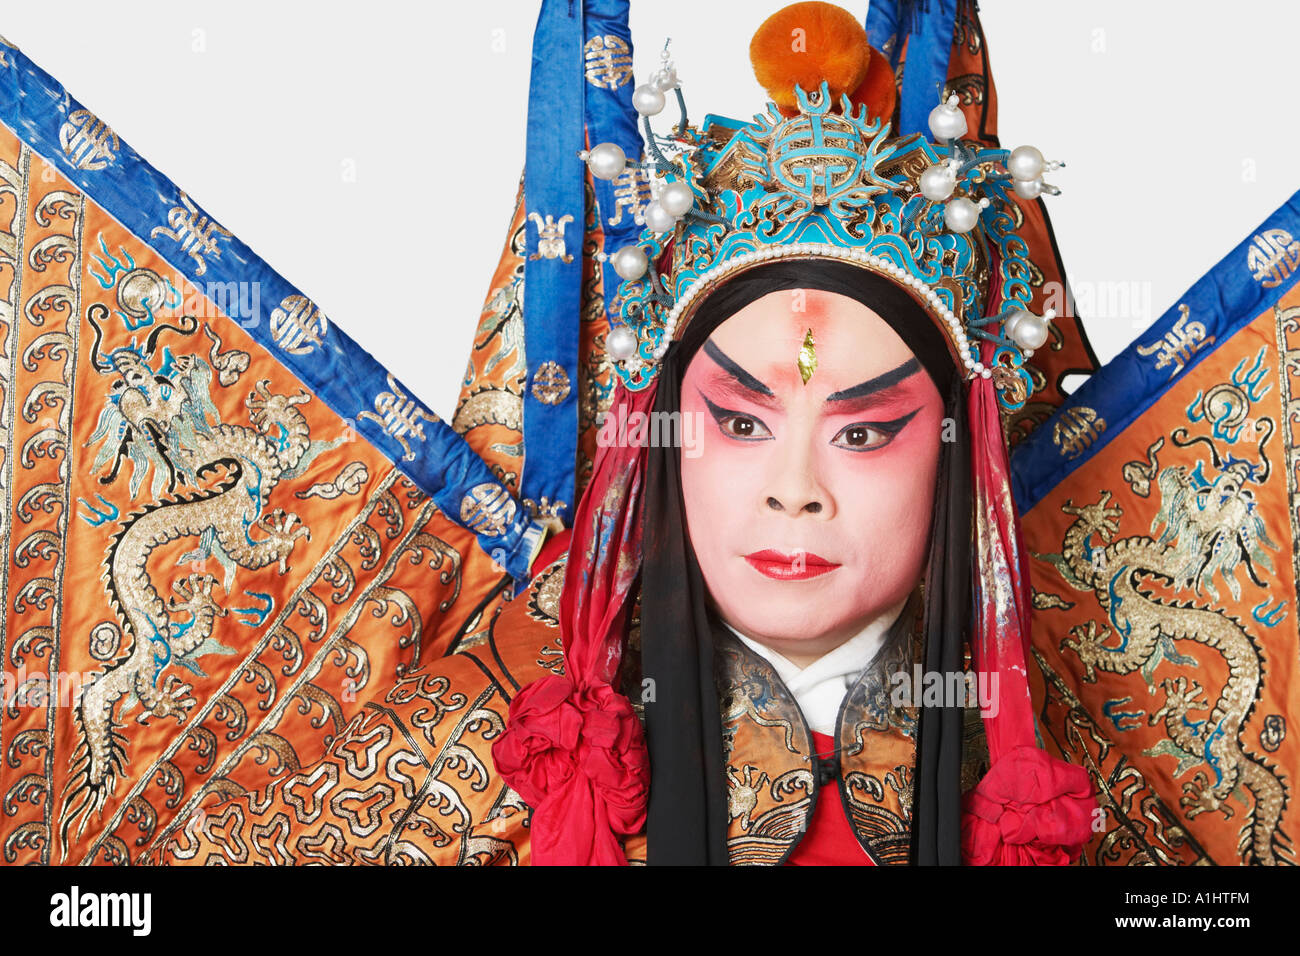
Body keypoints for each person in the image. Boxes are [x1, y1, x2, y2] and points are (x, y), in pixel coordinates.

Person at [158, 2, 1095, 866]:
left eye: (865, 432)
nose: (795, 488)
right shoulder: (479, 753)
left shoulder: (1048, 785)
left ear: (958, 450)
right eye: (737, 421)